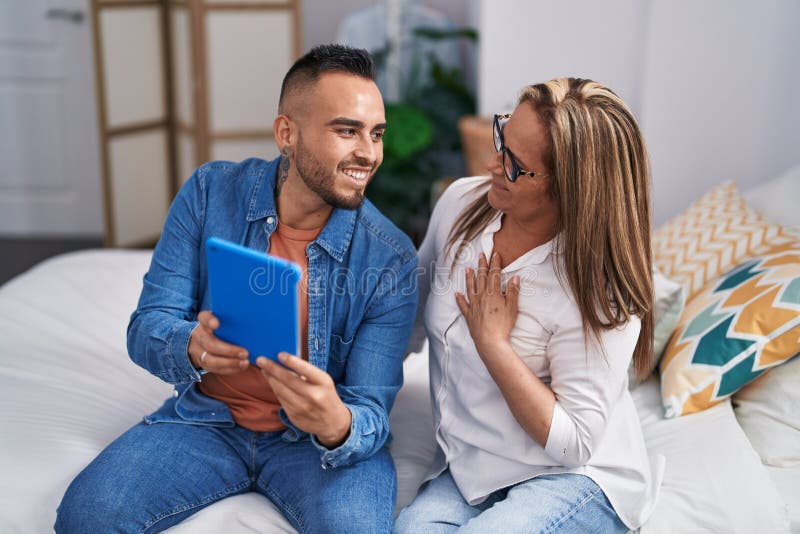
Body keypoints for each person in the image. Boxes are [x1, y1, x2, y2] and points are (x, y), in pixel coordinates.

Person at [55, 44, 418, 533]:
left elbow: (370, 409)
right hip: (209, 421)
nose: (368, 153)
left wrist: (337, 424)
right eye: (346, 130)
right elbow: (146, 325)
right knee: (86, 517)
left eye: (376, 134)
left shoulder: (390, 258)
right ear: (286, 133)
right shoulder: (210, 193)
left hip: (313, 449)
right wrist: (193, 346)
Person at [395, 78, 662, 533]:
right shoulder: (461, 204)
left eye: (516, 165)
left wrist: (493, 344)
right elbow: (406, 322)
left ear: (572, 189)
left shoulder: (599, 290)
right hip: (472, 471)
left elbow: (575, 443)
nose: (491, 164)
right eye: (503, 138)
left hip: (574, 479)